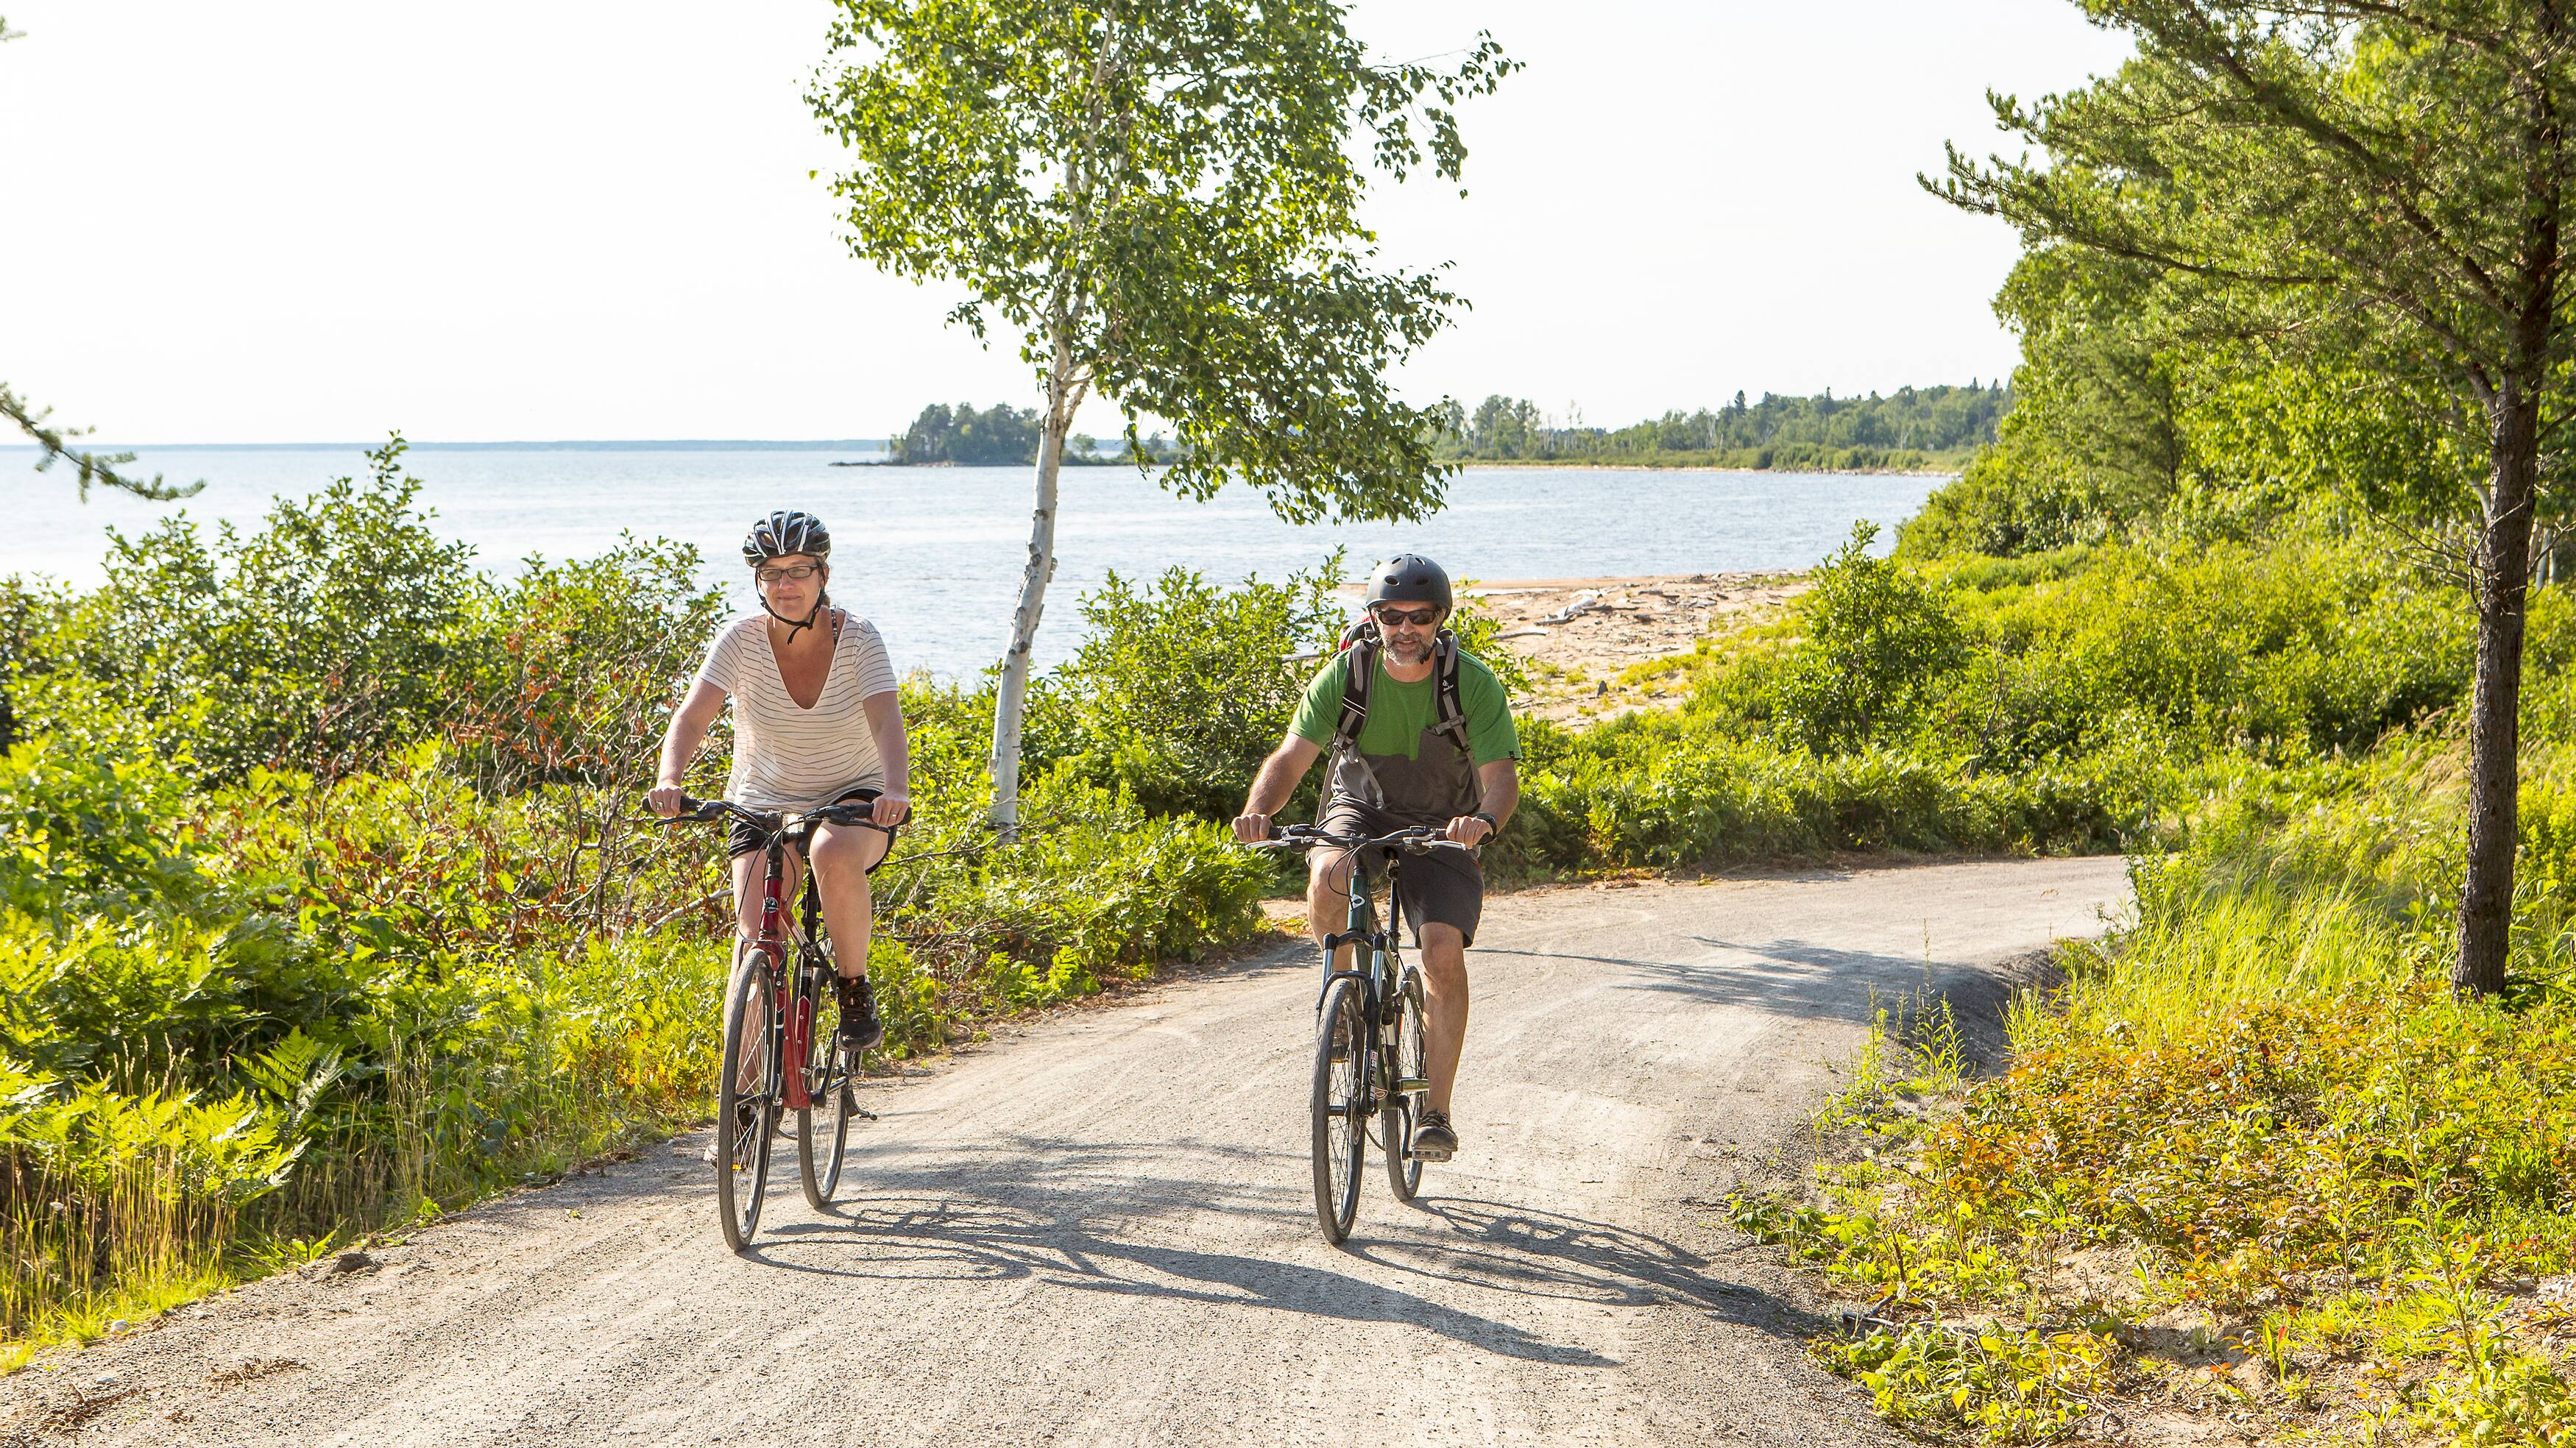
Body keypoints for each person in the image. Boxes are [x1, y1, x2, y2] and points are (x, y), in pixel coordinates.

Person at [1232, 554, 1520, 1163]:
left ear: (1440, 619)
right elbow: (1290, 758)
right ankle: (1344, 993)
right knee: (1328, 873)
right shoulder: (1348, 674)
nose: (1404, 628)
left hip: (1445, 822)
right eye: (1391, 616)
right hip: (1359, 806)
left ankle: (1435, 1112)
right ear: (1374, 617)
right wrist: (1260, 809)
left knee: (1442, 949)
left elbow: (1500, 779)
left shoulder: (1471, 681)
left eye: (1418, 617)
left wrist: (1482, 822)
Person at [649, 509, 910, 1053]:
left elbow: (886, 717)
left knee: (832, 853)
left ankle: (853, 988)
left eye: (798, 570)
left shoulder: (859, 639)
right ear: (758, 581)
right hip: (761, 804)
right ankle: (740, 1120)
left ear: (823, 576)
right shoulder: (740, 640)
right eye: (772, 572)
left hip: (851, 799)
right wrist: (669, 778)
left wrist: (895, 789)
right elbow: (692, 717)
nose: (785, 584)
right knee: (753, 949)